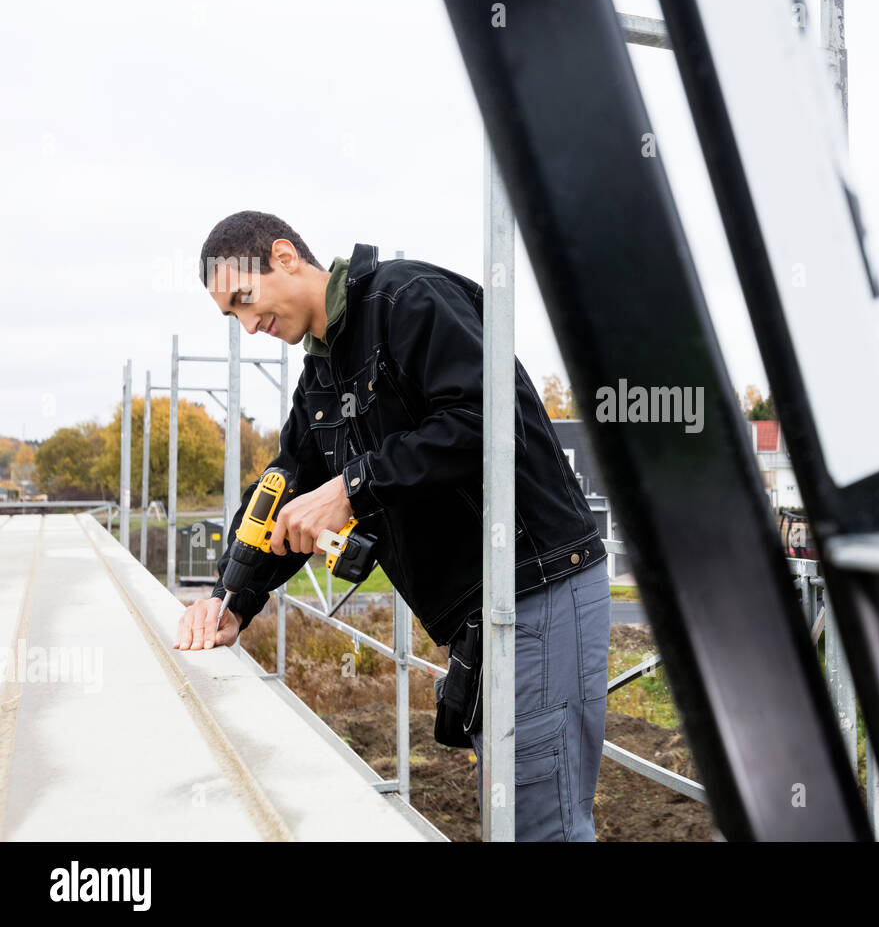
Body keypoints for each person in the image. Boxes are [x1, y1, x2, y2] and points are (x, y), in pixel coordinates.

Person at [172, 210, 611, 841]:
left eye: (246, 299)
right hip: (484, 617)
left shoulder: (407, 301)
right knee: (512, 818)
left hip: (538, 589)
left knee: (542, 829)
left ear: (286, 256)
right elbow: (284, 485)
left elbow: (490, 422)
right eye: (230, 317)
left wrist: (351, 488)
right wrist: (228, 600)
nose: (248, 325)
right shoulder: (322, 376)